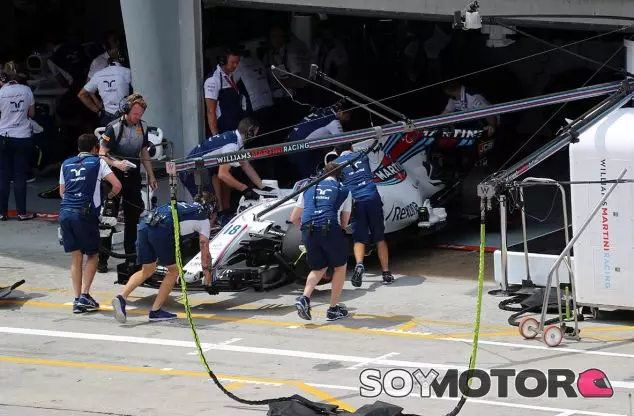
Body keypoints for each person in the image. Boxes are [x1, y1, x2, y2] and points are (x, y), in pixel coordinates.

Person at [111, 192, 216, 323]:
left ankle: (121, 297)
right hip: (162, 230)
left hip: (145, 225)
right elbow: (204, 245)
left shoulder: (182, 204)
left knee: (147, 269)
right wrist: (207, 272)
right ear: (211, 209)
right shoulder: (203, 219)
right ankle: (156, 311)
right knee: (174, 270)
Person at [58, 134, 122, 313]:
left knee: (76, 257)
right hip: (85, 214)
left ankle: (77, 298)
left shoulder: (66, 164)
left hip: (65, 212)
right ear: (95, 149)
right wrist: (107, 197)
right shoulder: (97, 162)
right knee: (93, 255)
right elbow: (117, 186)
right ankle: (85, 295)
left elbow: (62, 192)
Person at [97, 93, 158, 273]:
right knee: (109, 218)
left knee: (133, 218)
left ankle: (131, 256)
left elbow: (144, 152)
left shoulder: (143, 126)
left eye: (140, 114)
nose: (136, 117)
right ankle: (103, 258)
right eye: (134, 114)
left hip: (132, 176)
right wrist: (116, 163)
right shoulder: (113, 128)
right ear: (126, 110)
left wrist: (151, 176)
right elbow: (101, 154)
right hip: (113, 175)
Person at [290, 161, 352, 321]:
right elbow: (344, 223)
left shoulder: (308, 188)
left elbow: (294, 218)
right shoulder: (343, 190)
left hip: (307, 229)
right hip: (329, 227)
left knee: (319, 267)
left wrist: (306, 231)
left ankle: (304, 298)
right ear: (339, 175)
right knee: (340, 266)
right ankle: (333, 309)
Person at [180, 117, 270, 226]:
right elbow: (223, 174)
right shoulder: (232, 146)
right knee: (209, 208)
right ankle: (200, 238)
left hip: (199, 170)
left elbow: (245, 165)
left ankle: (205, 231)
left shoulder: (234, 139)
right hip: (191, 172)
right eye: (255, 133)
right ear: (249, 132)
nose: (256, 136)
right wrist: (245, 189)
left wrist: (262, 186)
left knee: (212, 208)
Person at [331, 145, 394, 287]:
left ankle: (359, 264)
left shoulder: (336, 165)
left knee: (359, 239)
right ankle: (386, 273)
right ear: (352, 147)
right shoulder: (363, 156)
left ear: (336, 152)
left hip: (356, 202)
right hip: (372, 197)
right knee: (379, 238)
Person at [0, 68, 37, 221]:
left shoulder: (1, 92)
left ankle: (2, 213)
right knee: (19, 175)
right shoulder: (27, 90)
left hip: (4, 136)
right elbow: (32, 114)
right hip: (22, 136)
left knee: (3, 175)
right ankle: (22, 213)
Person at [285, 101, 351, 180]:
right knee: (312, 180)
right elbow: (342, 146)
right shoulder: (334, 122)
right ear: (341, 112)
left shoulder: (322, 111)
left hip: (288, 144)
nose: (348, 120)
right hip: (299, 150)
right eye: (348, 116)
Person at [78, 52, 132, 126]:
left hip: (107, 117)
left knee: (109, 137)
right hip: (126, 114)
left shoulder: (98, 75)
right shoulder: (127, 71)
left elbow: (82, 95)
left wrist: (97, 111)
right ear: (121, 61)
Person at [204, 47, 247, 136]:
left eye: (237, 62)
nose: (235, 65)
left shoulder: (231, 76)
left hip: (235, 128)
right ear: (223, 61)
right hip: (223, 131)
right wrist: (216, 137)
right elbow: (211, 111)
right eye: (233, 62)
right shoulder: (213, 80)